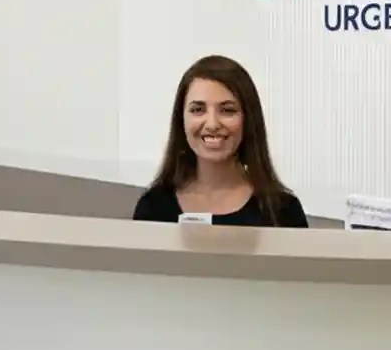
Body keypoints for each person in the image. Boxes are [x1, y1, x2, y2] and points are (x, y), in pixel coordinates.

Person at [132, 55, 309, 228]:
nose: (212, 124)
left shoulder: (283, 212)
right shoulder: (153, 209)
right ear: (181, 119)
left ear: (248, 120)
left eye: (227, 110)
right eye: (198, 109)